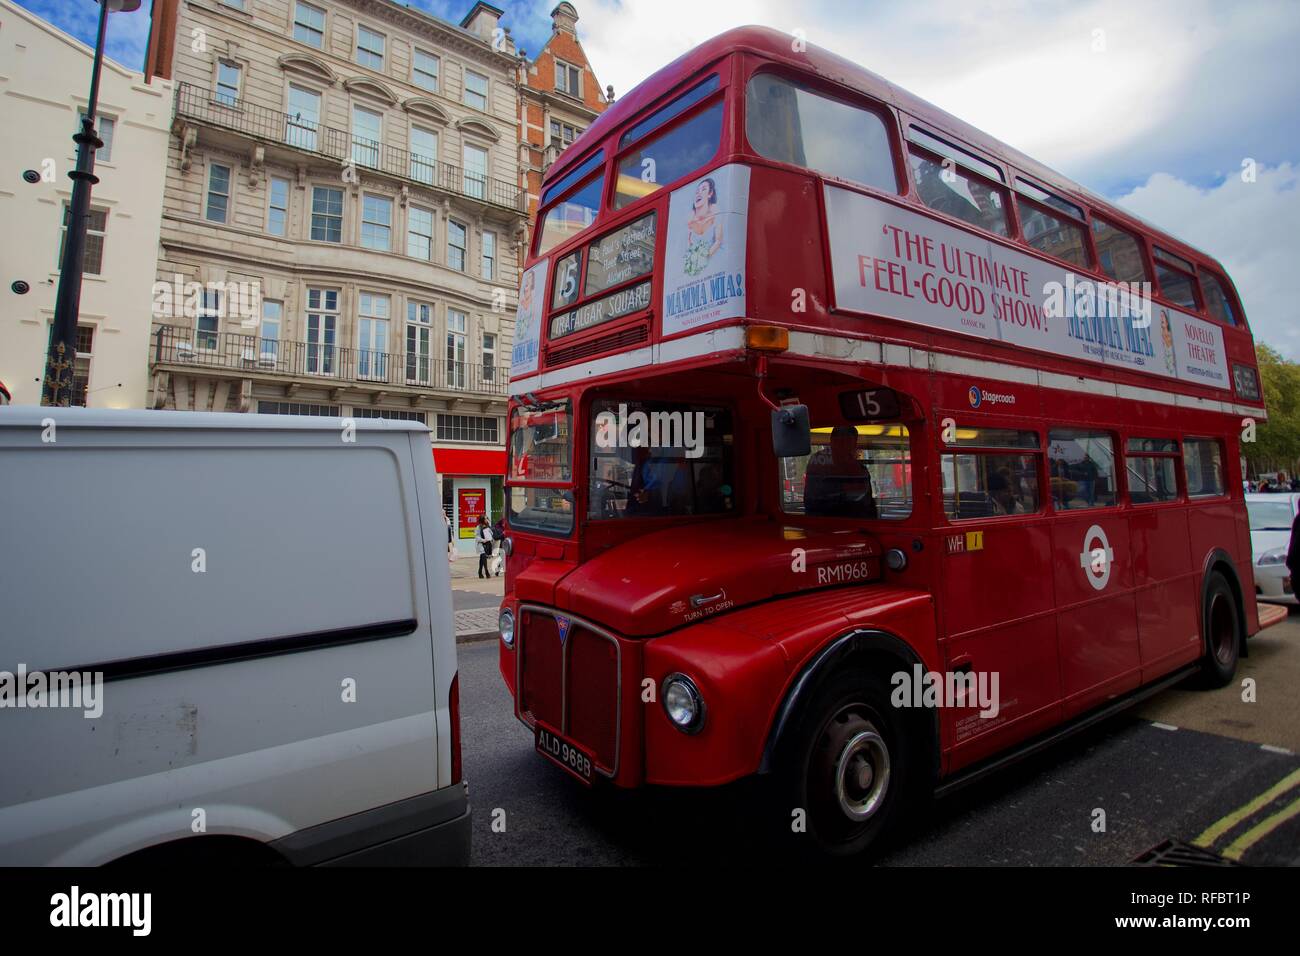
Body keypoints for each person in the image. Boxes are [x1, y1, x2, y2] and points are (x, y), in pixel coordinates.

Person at [804, 425, 877, 518]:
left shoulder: (860, 470)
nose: (844, 448)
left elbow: (868, 503)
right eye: (841, 443)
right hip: (825, 524)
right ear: (832, 442)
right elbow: (813, 502)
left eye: (849, 444)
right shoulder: (819, 463)